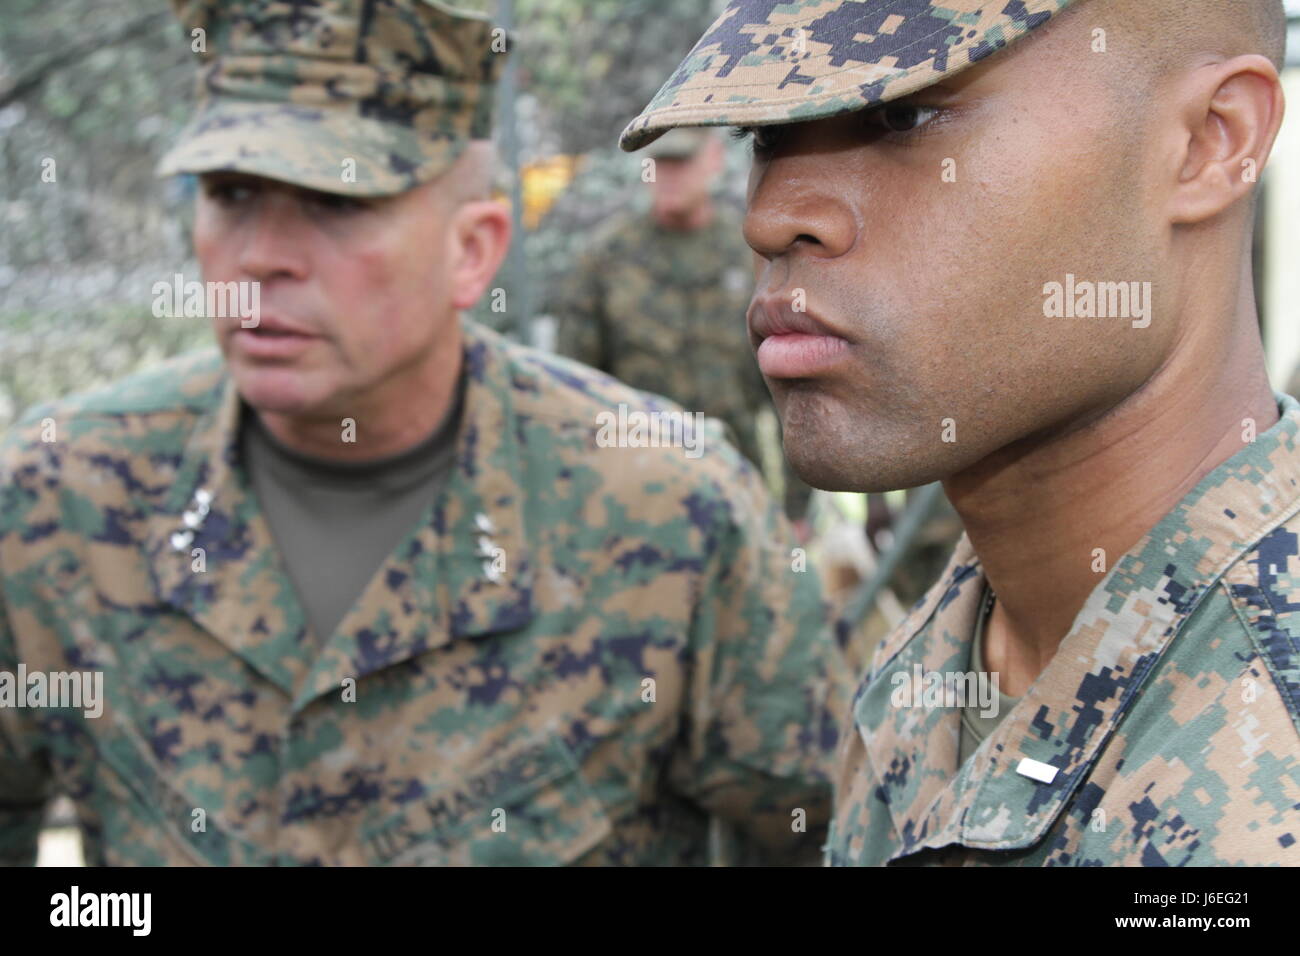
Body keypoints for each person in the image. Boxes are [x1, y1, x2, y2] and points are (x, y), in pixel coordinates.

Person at [0, 0, 847, 866]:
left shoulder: (674, 515)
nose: (262, 257)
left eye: (334, 200)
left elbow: (821, 831)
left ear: (472, 251)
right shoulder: (54, 499)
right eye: (232, 193)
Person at [622, 0, 1297, 865]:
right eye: (766, 131)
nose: (770, 216)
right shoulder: (949, 651)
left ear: (1209, 140)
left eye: (905, 116)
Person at [544, 127, 814, 528]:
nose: (668, 176)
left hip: (736, 486)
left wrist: (795, 511)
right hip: (637, 495)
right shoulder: (606, 259)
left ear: (714, 161)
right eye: (658, 164)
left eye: (681, 162)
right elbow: (575, 395)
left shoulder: (750, 256)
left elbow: (792, 393)